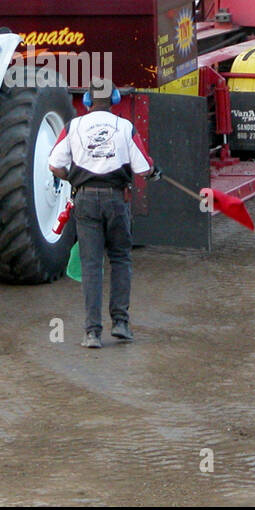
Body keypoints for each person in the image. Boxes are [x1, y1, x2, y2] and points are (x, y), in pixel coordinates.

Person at [47, 87, 155, 348]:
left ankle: (92, 333)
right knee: (119, 258)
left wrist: (72, 178)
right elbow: (143, 167)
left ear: (87, 101)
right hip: (116, 200)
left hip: (85, 200)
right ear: (115, 100)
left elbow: (54, 163)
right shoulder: (125, 126)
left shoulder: (73, 126)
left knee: (92, 264)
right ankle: (120, 323)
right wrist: (154, 170)